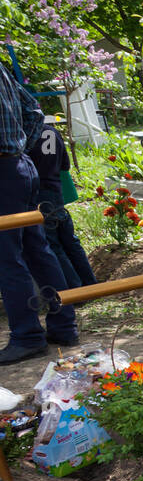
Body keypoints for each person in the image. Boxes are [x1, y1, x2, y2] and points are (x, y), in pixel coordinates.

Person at [0, 63, 78, 365]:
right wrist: (20, 148)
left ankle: (28, 336)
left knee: (8, 259)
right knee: (37, 249)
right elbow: (33, 112)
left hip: (5, 171)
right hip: (19, 166)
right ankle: (63, 325)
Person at [28, 125, 97, 291]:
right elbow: (65, 164)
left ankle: (74, 289)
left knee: (52, 244)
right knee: (70, 241)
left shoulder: (26, 133)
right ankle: (91, 284)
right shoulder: (51, 131)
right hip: (56, 189)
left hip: (38, 193)